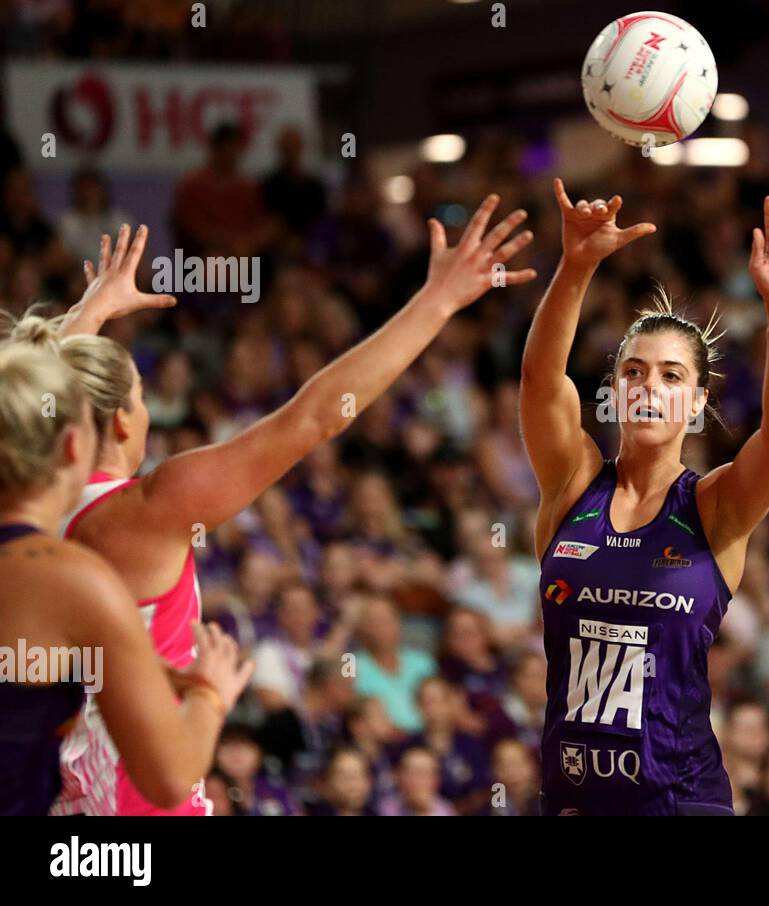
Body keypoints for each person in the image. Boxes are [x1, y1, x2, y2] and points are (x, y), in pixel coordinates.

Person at [7, 197, 535, 815]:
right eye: (144, 396)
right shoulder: (152, 508)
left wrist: (89, 311)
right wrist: (437, 301)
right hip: (143, 788)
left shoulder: (30, 502)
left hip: (69, 794)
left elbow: (37, 396)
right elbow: (313, 417)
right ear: (124, 422)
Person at [520, 180, 769, 815]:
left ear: (699, 402)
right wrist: (575, 268)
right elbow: (540, 383)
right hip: (571, 801)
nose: (649, 385)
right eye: (633, 371)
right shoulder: (572, 488)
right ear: (614, 389)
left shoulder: (711, 507)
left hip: (681, 802)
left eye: (672, 375)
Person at [0, 343, 251, 815]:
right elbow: (170, 779)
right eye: (139, 395)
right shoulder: (76, 577)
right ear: (75, 444)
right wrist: (209, 692)